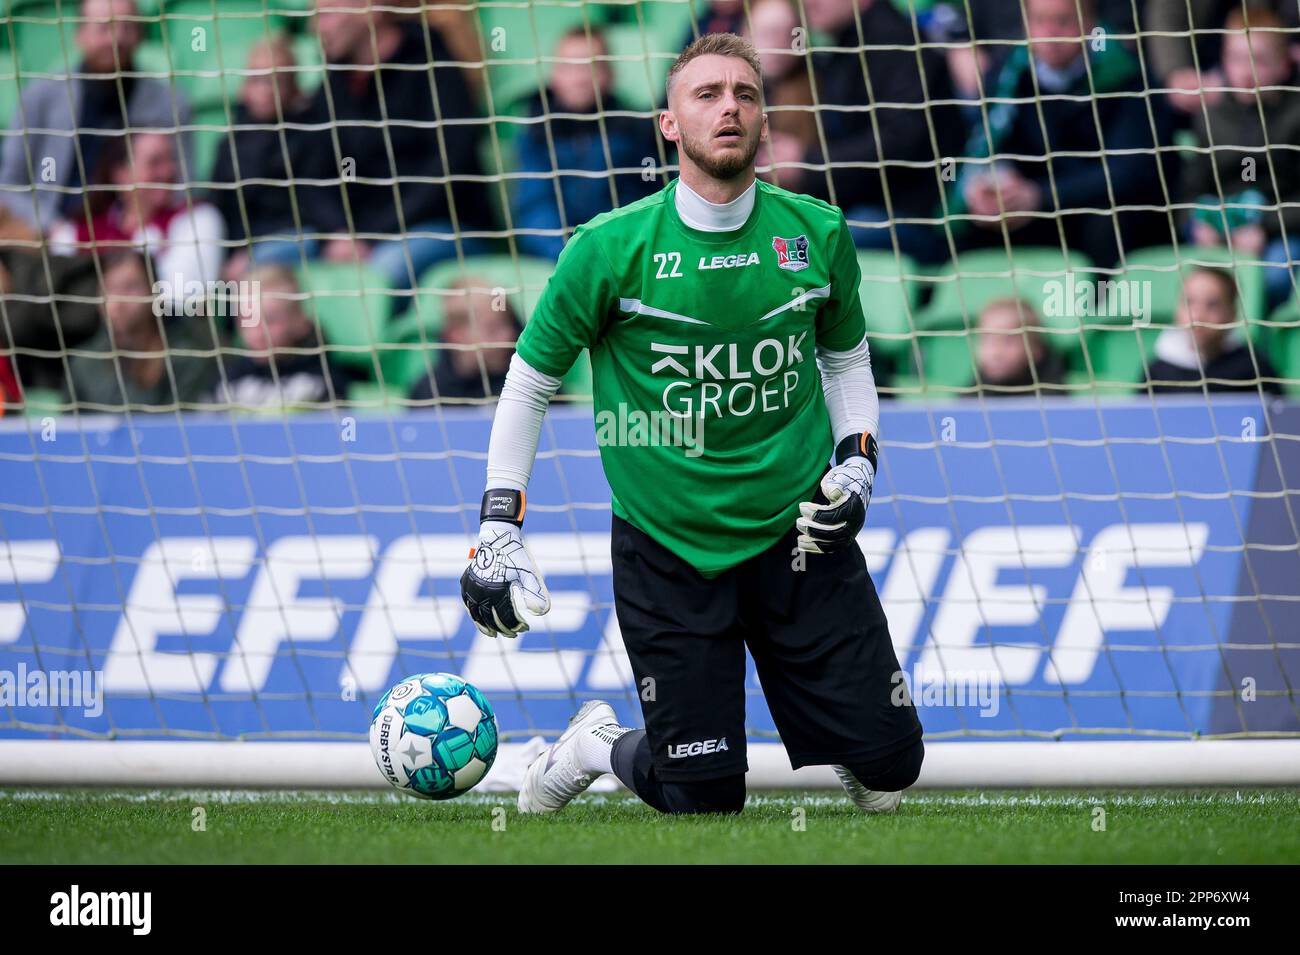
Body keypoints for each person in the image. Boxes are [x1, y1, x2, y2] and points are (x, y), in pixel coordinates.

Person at [459, 34, 923, 816]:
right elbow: (531, 381)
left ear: (766, 118)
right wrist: (498, 520)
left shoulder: (818, 234)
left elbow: (845, 361)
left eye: (745, 92)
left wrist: (859, 463)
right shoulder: (606, 249)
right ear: (669, 124)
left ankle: (856, 743)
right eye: (706, 94)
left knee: (891, 772)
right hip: (667, 546)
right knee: (702, 797)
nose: (729, 106)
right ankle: (593, 744)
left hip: (801, 534)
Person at [949, 0, 1176, 268]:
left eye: (1063, 22)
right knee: (971, 223)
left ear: (1089, 24)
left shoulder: (1126, 74)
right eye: (1040, 21)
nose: (1050, 34)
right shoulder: (1008, 73)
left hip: (1096, 209)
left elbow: (1128, 173)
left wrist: (1040, 197)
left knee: (1108, 223)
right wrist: (992, 183)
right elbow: (987, 143)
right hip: (1029, 208)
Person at [294, 0, 493, 289]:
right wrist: (339, 232)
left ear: (371, 11)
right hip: (355, 238)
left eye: (327, 14)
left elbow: (447, 173)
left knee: (377, 276)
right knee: (271, 263)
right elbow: (312, 176)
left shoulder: (434, 67)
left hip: (444, 228)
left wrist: (373, 234)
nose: (315, 27)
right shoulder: (333, 84)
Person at [0, 0, 191, 232]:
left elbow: (183, 186)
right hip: (50, 240)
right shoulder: (39, 98)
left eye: (127, 27)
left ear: (140, 35)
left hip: (139, 238)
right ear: (80, 35)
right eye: (104, 28)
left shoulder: (169, 104)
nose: (116, 39)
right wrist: (54, 228)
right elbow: (9, 186)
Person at [1181, 9, 1300, 308]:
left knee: (1273, 276)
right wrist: (1199, 223)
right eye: (1235, 58)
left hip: (1279, 230)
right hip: (1219, 227)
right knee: (1189, 280)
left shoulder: (1295, 117)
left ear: (1285, 64)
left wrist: (1267, 226)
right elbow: (1189, 190)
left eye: (1258, 60)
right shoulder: (1211, 117)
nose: (1246, 70)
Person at [510, 28, 661, 261]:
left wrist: (616, 248)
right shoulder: (536, 131)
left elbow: (647, 200)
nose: (580, 79)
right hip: (556, 256)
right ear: (554, 75)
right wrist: (568, 253)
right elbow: (534, 206)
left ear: (610, 73)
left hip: (622, 252)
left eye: (591, 67)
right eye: (569, 67)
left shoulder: (635, 129)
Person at [48, 131, 225, 316]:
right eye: (155, 162)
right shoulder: (77, 232)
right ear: (121, 175)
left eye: (171, 160)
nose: (169, 171)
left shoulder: (198, 218)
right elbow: (59, 305)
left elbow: (184, 299)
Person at [207, 35, 317, 278]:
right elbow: (217, 205)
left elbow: (309, 208)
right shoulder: (229, 144)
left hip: (293, 237)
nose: (266, 90)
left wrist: (251, 252)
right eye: (258, 80)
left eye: (276, 81)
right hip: (239, 245)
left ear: (293, 87)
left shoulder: (309, 136)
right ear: (245, 87)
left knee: (252, 266)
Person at [64, 251, 224, 411]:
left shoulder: (187, 357)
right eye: (109, 289)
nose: (117, 302)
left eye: (130, 288)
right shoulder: (84, 364)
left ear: (155, 293)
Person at [215, 265, 360, 409]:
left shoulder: (325, 380)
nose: (257, 333)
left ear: (299, 321)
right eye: (246, 320)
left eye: (270, 321)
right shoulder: (229, 379)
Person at [1146, 266, 1283, 396]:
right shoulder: (1158, 371)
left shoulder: (1253, 368)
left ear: (1232, 314)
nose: (1197, 316)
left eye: (1212, 305)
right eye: (1189, 302)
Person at [408, 277, 522, 402]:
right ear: (456, 336)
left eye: (509, 323)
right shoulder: (428, 394)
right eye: (493, 329)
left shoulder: (528, 382)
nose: (509, 336)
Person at [974, 297, 1067, 396]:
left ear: (1035, 348)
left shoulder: (1055, 393)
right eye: (988, 340)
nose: (995, 353)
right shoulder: (975, 391)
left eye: (1008, 341)